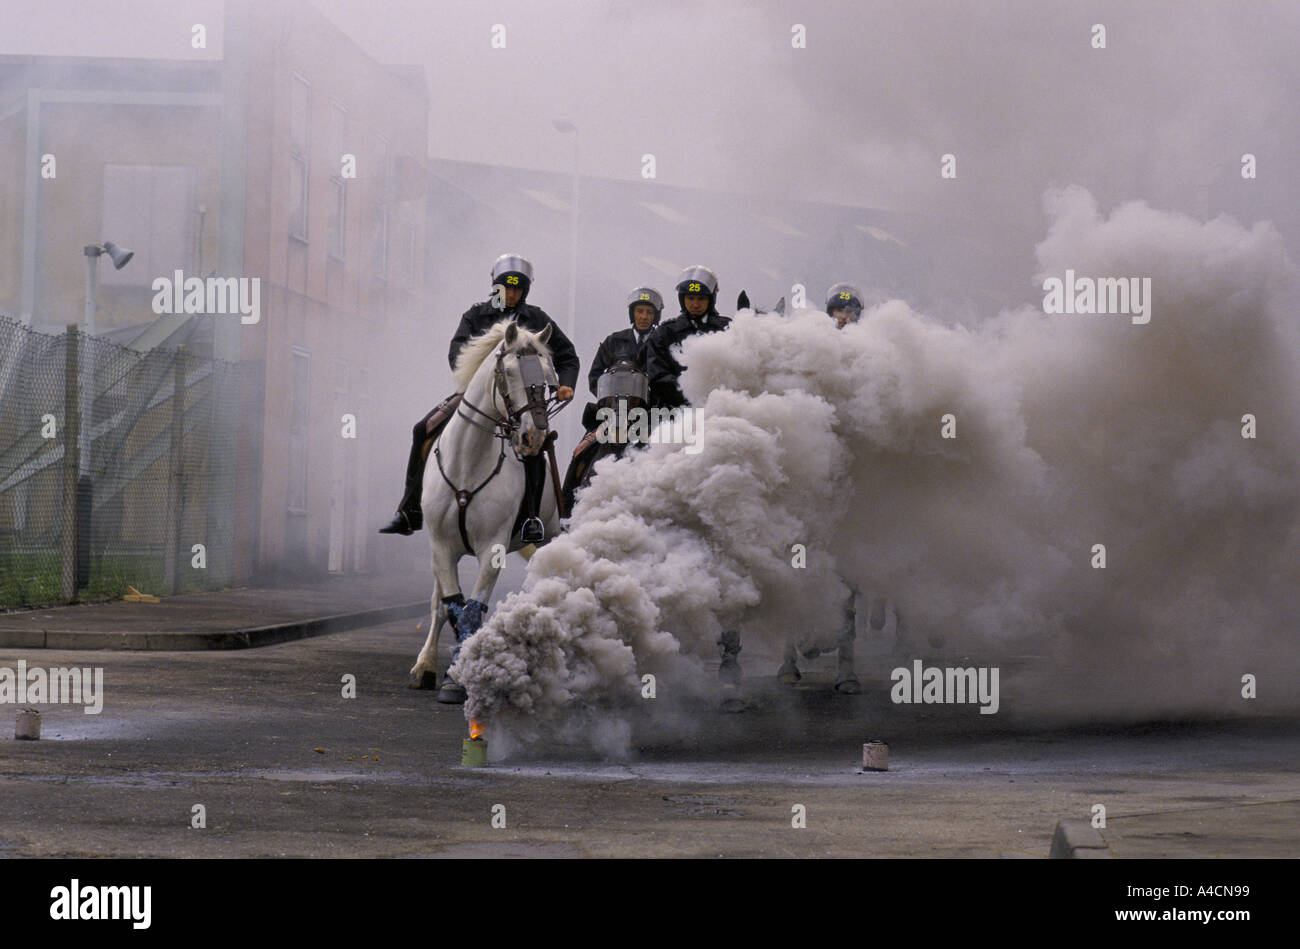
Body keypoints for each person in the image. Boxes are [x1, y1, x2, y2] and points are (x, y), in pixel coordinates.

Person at [378, 254, 578, 543]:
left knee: (536, 444)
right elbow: (456, 353)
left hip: (520, 401)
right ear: (496, 288)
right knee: (423, 429)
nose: (510, 294)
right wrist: (475, 380)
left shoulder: (538, 319)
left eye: (517, 289)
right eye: (505, 288)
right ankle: (410, 509)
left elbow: (567, 355)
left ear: (524, 291)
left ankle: (534, 518)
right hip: (476, 396)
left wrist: (566, 385)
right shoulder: (475, 316)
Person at [561, 287, 662, 511]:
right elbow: (594, 377)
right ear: (632, 314)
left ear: (656, 316)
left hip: (651, 416)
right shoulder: (614, 342)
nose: (644, 316)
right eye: (640, 311)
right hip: (612, 415)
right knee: (582, 451)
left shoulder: (662, 342)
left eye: (649, 312)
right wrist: (609, 400)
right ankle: (564, 510)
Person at [644, 265, 730, 409]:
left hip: (721, 410)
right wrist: (692, 392)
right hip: (673, 414)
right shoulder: (664, 333)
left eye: (701, 298)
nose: (695, 304)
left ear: (711, 299)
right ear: (682, 298)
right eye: (690, 298)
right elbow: (657, 377)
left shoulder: (727, 328)